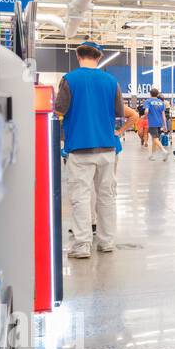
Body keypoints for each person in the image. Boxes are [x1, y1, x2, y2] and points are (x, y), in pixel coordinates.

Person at [55, 41, 124, 258]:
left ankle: (82, 245)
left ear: (78, 56)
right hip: (107, 149)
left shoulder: (69, 79)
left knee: (80, 198)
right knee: (107, 197)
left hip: (79, 148)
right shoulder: (112, 81)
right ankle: (107, 242)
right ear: (99, 57)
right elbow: (119, 112)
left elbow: (59, 110)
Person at [143, 87, 168, 159]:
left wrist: (144, 116)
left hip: (152, 123)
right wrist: (165, 125)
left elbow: (147, 111)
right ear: (157, 94)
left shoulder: (148, 101)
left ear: (150, 94)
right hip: (160, 123)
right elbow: (163, 115)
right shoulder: (161, 102)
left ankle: (164, 151)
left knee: (155, 138)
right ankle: (152, 155)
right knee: (155, 139)